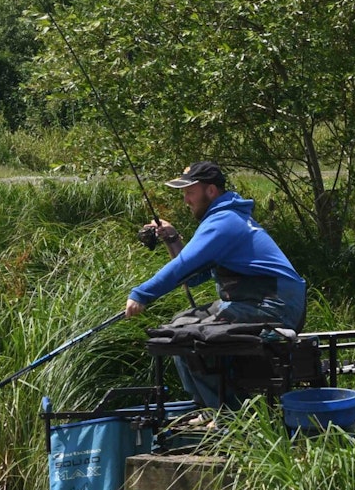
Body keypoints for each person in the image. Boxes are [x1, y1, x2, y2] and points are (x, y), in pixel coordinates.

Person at [123, 161, 307, 407]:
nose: (186, 200)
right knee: (178, 324)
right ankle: (206, 405)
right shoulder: (224, 218)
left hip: (273, 305)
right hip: (255, 302)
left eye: (190, 192)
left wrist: (141, 294)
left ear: (210, 191)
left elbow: (183, 267)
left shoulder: (224, 222)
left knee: (185, 336)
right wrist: (173, 239)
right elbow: (195, 275)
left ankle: (226, 413)